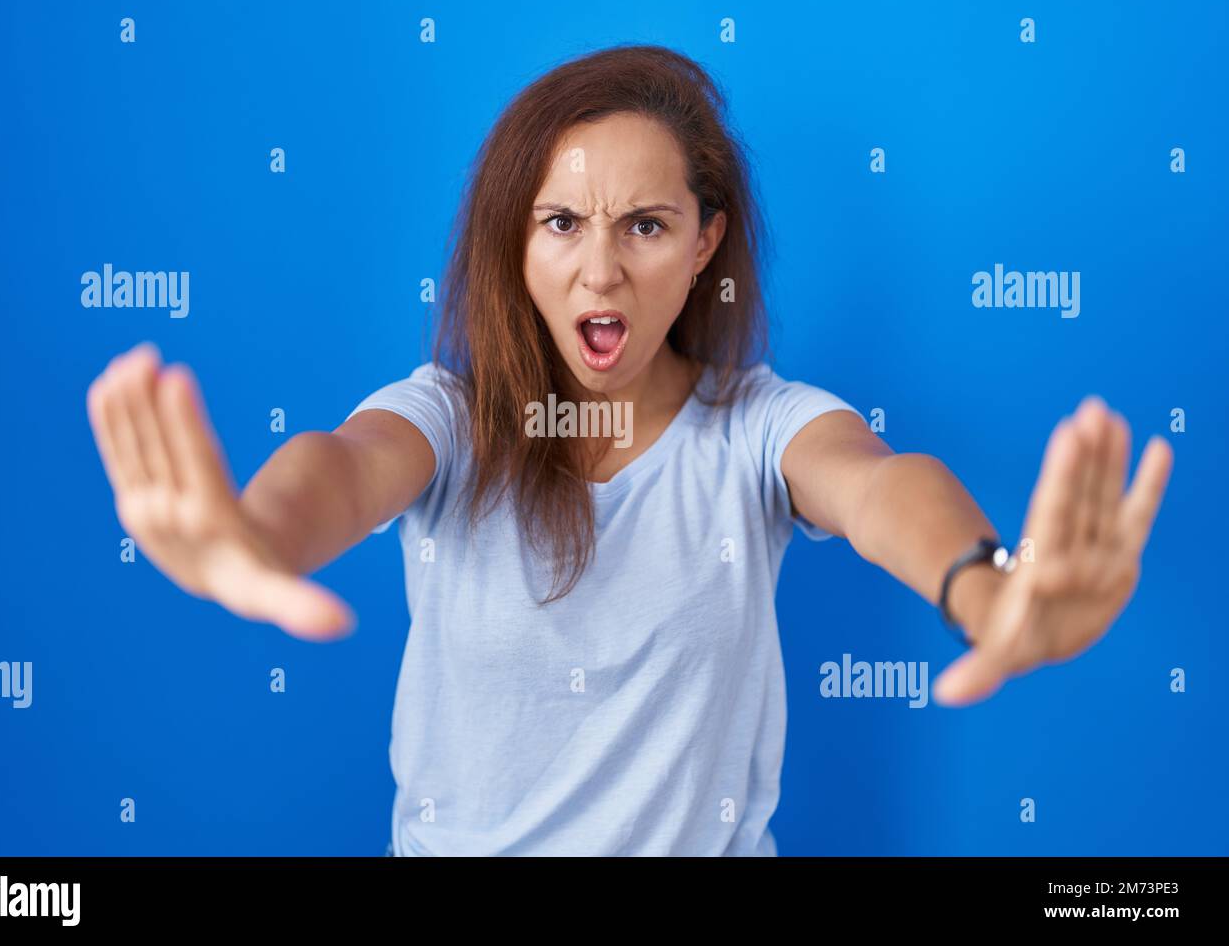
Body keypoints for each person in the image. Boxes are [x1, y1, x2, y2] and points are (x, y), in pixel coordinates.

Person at [84, 45, 1173, 856]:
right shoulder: (452, 419)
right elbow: (347, 462)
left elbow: (879, 483)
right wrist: (254, 533)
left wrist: (988, 586)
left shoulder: (754, 426)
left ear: (703, 244)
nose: (599, 272)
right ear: (514, 241)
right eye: (561, 223)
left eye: (644, 225)